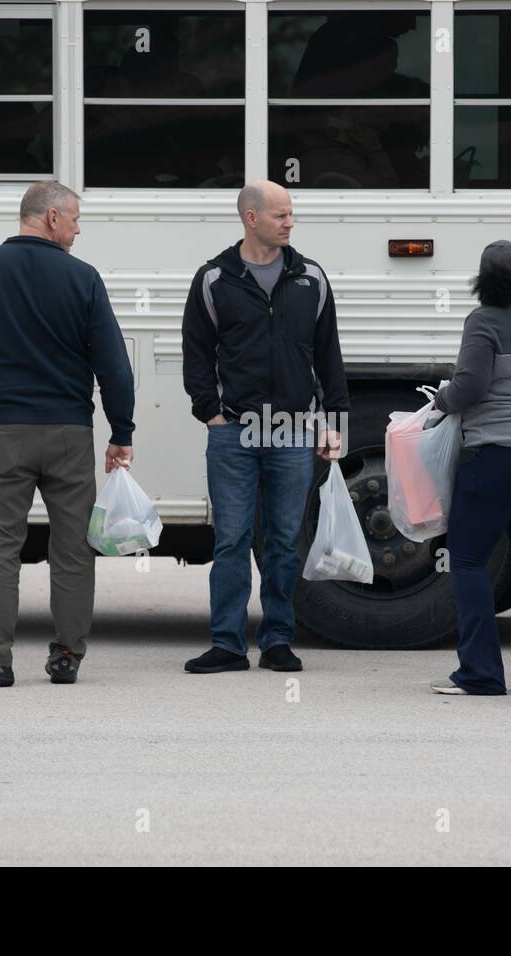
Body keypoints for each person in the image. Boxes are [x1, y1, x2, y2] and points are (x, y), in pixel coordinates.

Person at [0, 181, 135, 687]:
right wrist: (121, 429)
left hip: (1, 432)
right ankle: (67, 654)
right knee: (73, 548)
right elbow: (114, 366)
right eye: (74, 219)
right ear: (50, 218)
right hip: (70, 432)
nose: (78, 228)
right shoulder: (83, 278)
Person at [181, 180, 348, 674]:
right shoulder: (215, 278)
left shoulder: (310, 277)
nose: (290, 222)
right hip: (233, 429)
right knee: (231, 538)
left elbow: (329, 354)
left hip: (293, 430)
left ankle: (277, 640)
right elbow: (196, 350)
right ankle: (228, 644)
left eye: (291, 214)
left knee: (281, 539)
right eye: (280, 215)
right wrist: (209, 410)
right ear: (251, 218)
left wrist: (333, 421)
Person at [426, 241, 511, 696]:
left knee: (467, 559)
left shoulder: (482, 321)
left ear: (481, 280)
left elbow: (469, 388)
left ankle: (481, 673)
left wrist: (440, 401)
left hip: (497, 451)